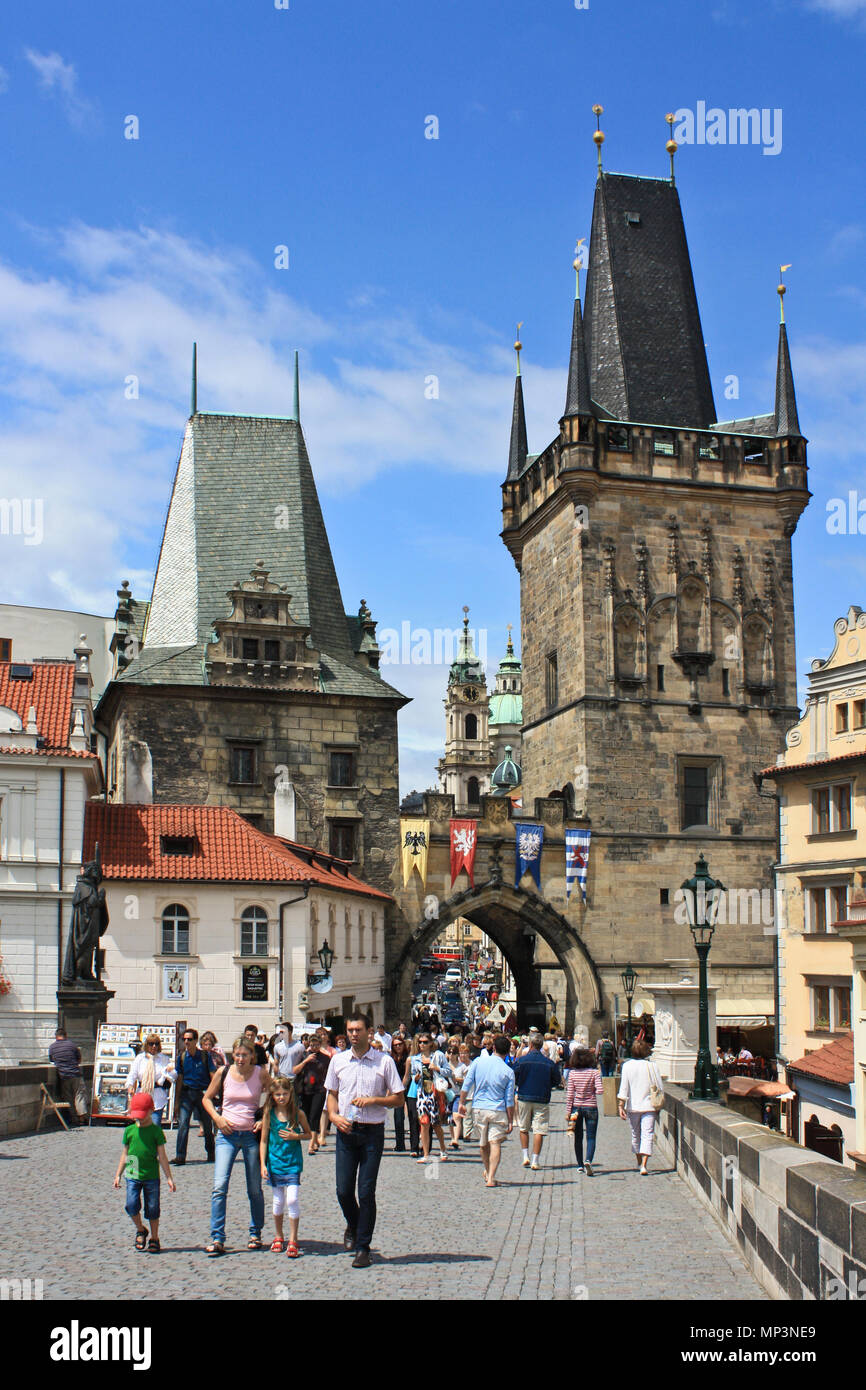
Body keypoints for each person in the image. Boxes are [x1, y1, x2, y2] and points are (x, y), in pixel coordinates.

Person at [324, 1010, 404, 1268]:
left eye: (358, 1030)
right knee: (343, 1190)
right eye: (350, 1031)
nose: (354, 1035)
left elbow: (398, 1099)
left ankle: (363, 1247)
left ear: (369, 1032)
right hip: (346, 1131)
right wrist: (334, 1117)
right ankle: (354, 1224)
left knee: (366, 1191)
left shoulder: (384, 1062)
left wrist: (374, 1100)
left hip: (372, 1132)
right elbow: (332, 1094)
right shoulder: (338, 1061)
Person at [202, 1035, 268, 1255]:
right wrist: (217, 1119)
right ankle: (217, 1237)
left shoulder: (260, 1073)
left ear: (252, 1056)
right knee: (219, 1187)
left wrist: (263, 1118)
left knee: (254, 1188)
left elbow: (278, 1095)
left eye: (245, 1055)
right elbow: (207, 1099)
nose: (240, 1059)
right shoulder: (224, 1072)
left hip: (250, 1136)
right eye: (237, 1054)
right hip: (226, 1135)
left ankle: (255, 1232)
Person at [113, 1092, 175, 1253]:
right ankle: (140, 1229)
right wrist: (118, 1174)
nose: (139, 1118)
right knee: (131, 1205)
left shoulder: (155, 1131)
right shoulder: (130, 1131)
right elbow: (125, 1154)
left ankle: (154, 1237)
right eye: (137, 1115)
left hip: (151, 1176)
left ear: (151, 1110)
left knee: (153, 1208)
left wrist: (169, 1177)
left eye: (143, 1115)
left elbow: (162, 1156)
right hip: (133, 1174)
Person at [260, 1072, 311, 1256]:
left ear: (291, 1094)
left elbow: (308, 1134)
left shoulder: (297, 1113)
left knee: (292, 1199)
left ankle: (293, 1239)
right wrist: (262, 1164)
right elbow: (264, 1140)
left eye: (284, 1093)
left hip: (292, 1163)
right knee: (278, 1201)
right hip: (275, 1163)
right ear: (272, 1096)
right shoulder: (269, 1113)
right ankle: (278, 1235)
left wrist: (295, 1136)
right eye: (277, 1094)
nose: (281, 1097)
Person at [458, 1035, 515, 1188]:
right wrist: (511, 1120)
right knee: (495, 1142)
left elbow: (467, 1084)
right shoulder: (509, 1071)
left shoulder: (478, 1062)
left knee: (483, 1144)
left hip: (479, 1108)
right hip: (498, 1109)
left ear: (493, 1048)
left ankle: (487, 1170)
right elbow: (509, 1100)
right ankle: (491, 1177)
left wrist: (461, 1102)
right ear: (508, 1052)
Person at [512, 1033, 560, 1171]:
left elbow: (514, 1076)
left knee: (523, 1127)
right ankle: (535, 1160)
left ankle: (525, 1156)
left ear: (530, 1045)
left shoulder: (521, 1061)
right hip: (542, 1098)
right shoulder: (549, 1063)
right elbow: (556, 1081)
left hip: (524, 1096)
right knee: (539, 1129)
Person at [617, 1039, 663, 1176]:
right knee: (647, 1134)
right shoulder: (652, 1066)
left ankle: (639, 1162)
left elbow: (624, 1087)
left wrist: (621, 1105)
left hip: (633, 1106)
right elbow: (660, 1087)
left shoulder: (627, 1066)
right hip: (649, 1106)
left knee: (635, 1135)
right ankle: (644, 1164)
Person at [174, 1027, 217, 1164]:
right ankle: (180, 1155)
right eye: (184, 1039)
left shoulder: (205, 1056)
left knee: (207, 1125)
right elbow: (179, 1079)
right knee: (183, 1124)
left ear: (195, 1041)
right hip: (187, 1093)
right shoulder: (181, 1057)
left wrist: (215, 1093)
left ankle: (211, 1153)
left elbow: (213, 1075)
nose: (186, 1042)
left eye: (189, 1039)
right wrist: (176, 1101)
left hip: (202, 1093)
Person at [410, 1033, 451, 1164]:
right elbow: (413, 1075)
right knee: (424, 1123)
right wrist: (415, 1078)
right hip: (422, 1093)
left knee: (436, 1124)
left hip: (436, 1092)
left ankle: (443, 1149)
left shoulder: (438, 1056)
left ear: (430, 1043)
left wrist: (437, 1068)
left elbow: (449, 1071)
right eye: (420, 1042)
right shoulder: (415, 1059)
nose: (422, 1044)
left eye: (425, 1042)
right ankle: (426, 1154)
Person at [566, 1047, 604, 1175]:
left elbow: (570, 1094)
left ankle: (580, 1165)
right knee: (591, 1137)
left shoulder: (572, 1073)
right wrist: (592, 1090)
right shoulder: (594, 1073)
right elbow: (600, 1091)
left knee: (578, 1137)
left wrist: (568, 1111)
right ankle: (588, 1159)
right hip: (591, 1106)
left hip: (576, 1108)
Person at [127, 1034, 176, 1125]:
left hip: (157, 1097)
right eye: (151, 1043)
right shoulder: (140, 1058)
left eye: (156, 1044)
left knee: (155, 1125)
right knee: (141, 1126)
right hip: (142, 1095)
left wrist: (168, 1075)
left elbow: (173, 1075)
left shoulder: (164, 1059)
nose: (154, 1046)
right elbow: (132, 1074)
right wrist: (130, 1085)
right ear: (147, 1045)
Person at [293, 1034, 330, 1154]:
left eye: (317, 1045)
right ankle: (314, 1139)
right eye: (312, 1045)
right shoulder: (303, 1055)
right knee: (307, 1117)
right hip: (305, 1089)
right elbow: (294, 1070)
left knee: (315, 1116)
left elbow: (330, 1073)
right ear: (309, 1044)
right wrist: (305, 1061)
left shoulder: (325, 1058)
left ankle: (311, 1144)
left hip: (319, 1090)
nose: (314, 1047)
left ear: (320, 1045)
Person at [48, 1027, 88, 1127]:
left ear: (56, 1036)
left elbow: (52, 1060)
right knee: (79, 1096)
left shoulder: (52, 1047)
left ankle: (73, 1118)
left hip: (63, 1076)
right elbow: (79, 1059)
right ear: (65, 1036)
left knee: (69, 1098)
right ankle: (82, 1118)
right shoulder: (72, 1045)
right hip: (75, 1074)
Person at [389, 1036, 411, 1151]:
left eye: (400, 1044)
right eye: (395, 1045)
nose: (398, 1046)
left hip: (408, 1087)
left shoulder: (408, 1058)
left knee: (412, 1116)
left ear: (404, 1045)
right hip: (396, 1090)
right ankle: (400, 1144)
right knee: (398, 1117)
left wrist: (402, 1087)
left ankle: (414, 1144)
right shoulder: (391, 1058)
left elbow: (407, 1075)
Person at [448, 1042, 469, 1149]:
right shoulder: (445, 1065)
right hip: (447, 1094)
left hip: (457, 1094)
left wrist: (456, 1079)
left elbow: (467, 1080)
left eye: (453, 1053)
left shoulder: (462, 1066)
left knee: (456, 1116)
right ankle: (452, 1138)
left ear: (457, 1055)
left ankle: (456, 1139)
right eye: (449, 1053)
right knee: (450, 1118)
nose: (451, 1055)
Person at [403, 1037, 421, 1157]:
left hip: (427, 1090)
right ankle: (414, 1147)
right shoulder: (411, 1059)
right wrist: (399, 1090)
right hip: (413, 1091)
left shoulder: (432, 1057)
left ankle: (426, 1145)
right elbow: (406, 1076)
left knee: (425, 1119)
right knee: (413, 1119)